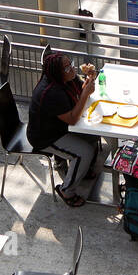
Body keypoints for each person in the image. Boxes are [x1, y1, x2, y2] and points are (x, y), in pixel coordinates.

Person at [28, 50, 100, 207]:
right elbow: (73, 119)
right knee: (84, 153)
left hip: (61, 127)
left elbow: (80, 90)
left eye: (71, 64)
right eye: (67, 68)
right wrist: (85, 95)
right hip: (46, 136)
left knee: (94, 135)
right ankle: (67, 190)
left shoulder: (67, 79)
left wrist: (89, 81)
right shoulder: (51, 92)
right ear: (57, 73)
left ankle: (83, 170)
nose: (72, 70)